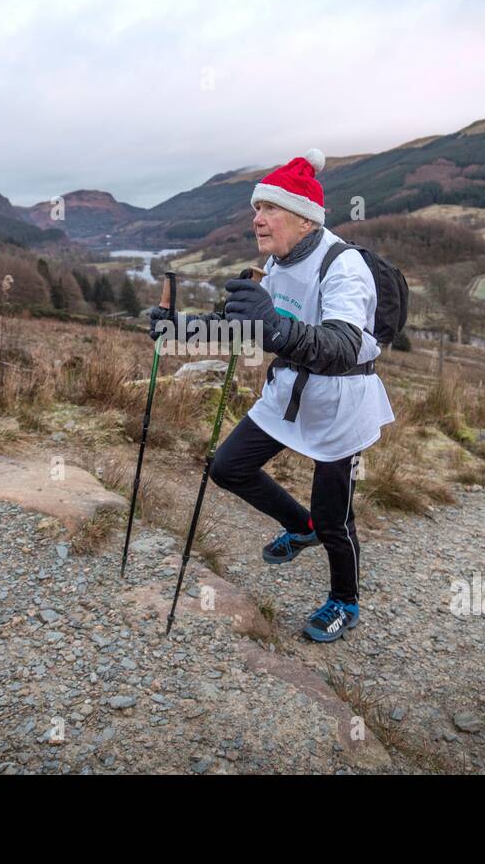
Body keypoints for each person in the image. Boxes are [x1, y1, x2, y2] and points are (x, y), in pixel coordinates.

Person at [148, 149, 394, 642]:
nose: (256, 219)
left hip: (340, 405)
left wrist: (274, 326)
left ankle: (345, 601)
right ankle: (297, 526)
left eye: (268, 209)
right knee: (227, 468)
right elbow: (248, 332)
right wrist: (182, 330)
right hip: (288, 392)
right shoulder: (277, 265)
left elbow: (343, 347)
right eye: (256, 209)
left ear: (303, 218)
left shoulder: (344, 267)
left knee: (334, 518)